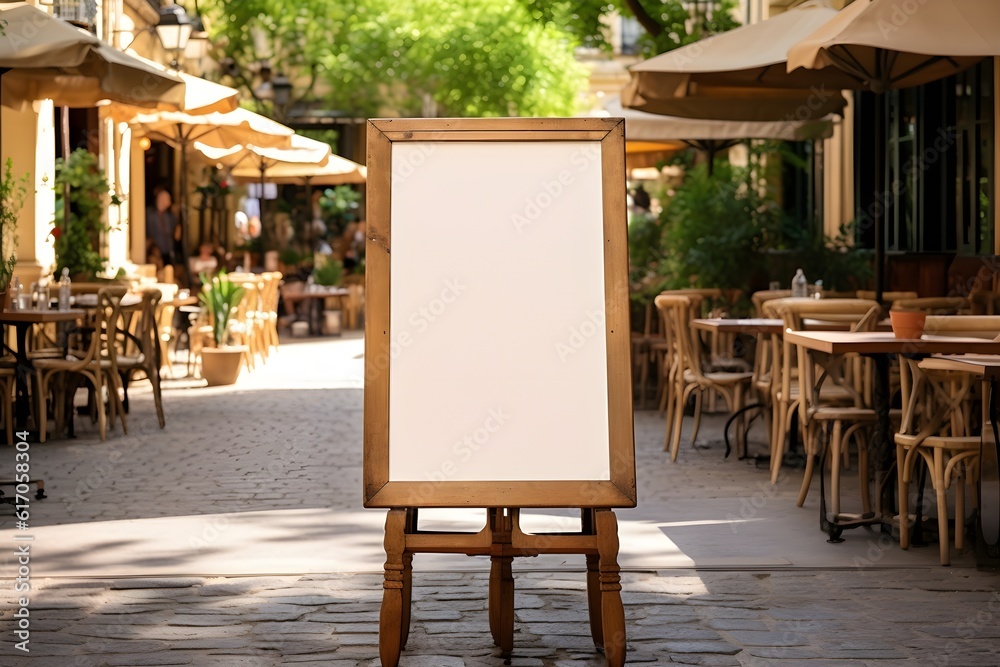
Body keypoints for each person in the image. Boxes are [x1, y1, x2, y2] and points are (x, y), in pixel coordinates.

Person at [146, 190, 179, 267]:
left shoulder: (169, 216)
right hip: (154, 251)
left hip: (167, 250)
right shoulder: (150, 214)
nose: (169, 202)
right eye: (168, 199)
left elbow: (175, 232)